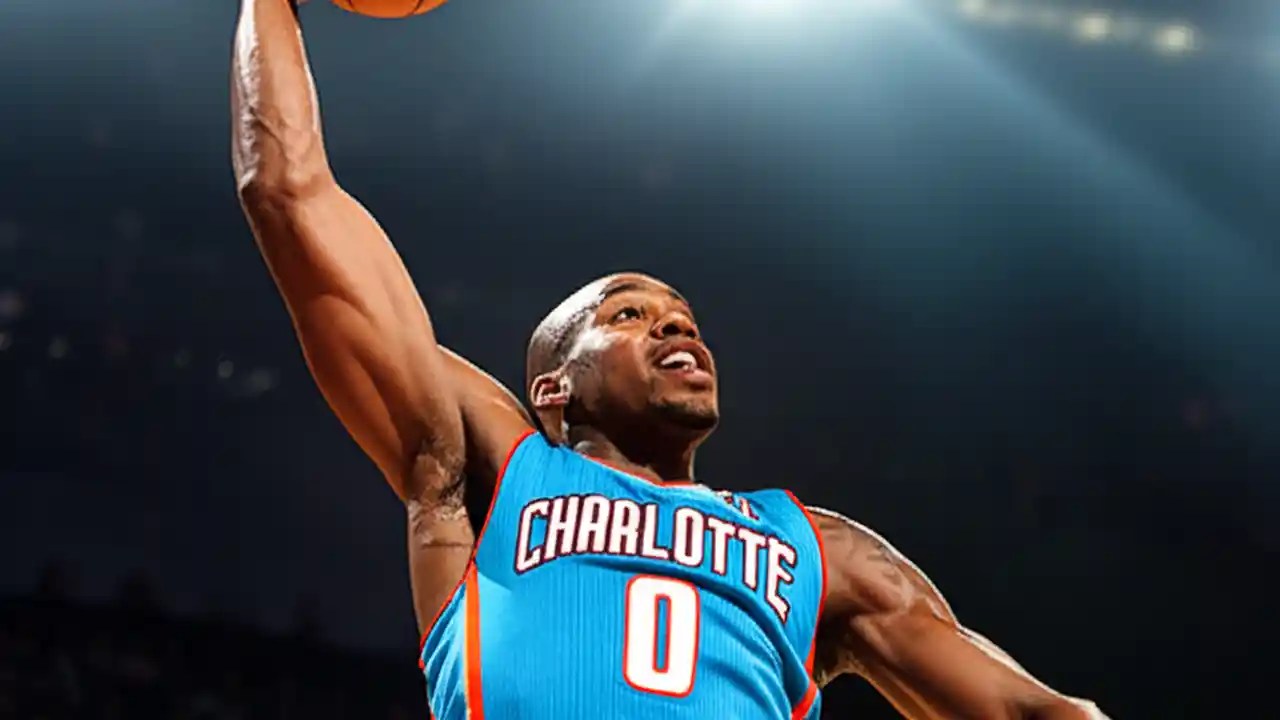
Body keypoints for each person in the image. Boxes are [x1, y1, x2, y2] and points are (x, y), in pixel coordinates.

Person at [230, 1, 1108, 717]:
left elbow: (1032, 712)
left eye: (684, 318)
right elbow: (288, 193)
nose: (676, 328)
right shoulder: (491, 465)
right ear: (552, 386)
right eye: (629, 314)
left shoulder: (820, 552)